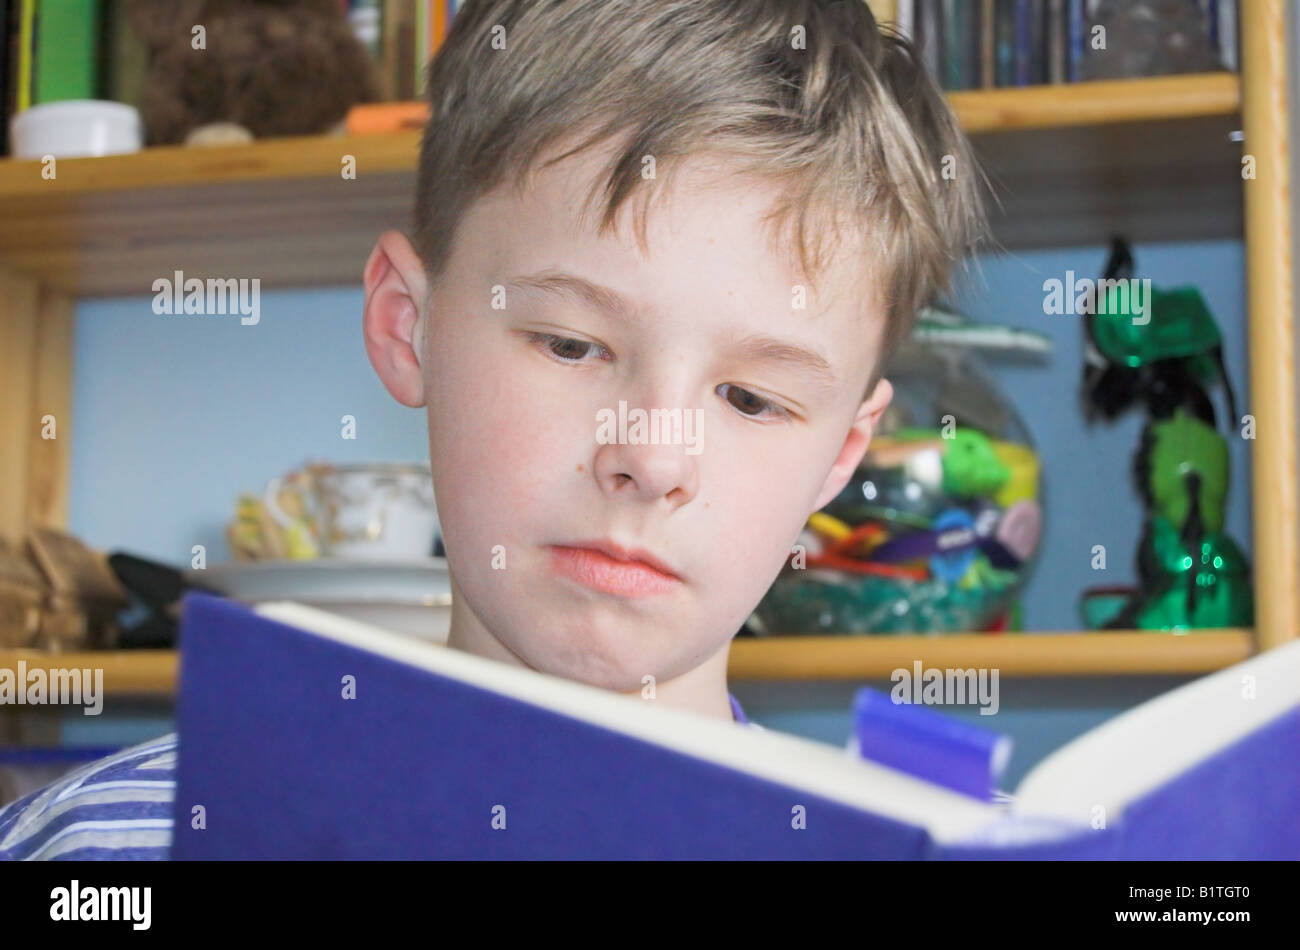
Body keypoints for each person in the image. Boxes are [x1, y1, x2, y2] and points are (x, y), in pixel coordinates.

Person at [0, 0, 987, 860]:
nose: (650, 456)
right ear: (407, 327)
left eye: (751, 399)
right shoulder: (105, 846)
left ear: (843, 452)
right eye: (568, 343)